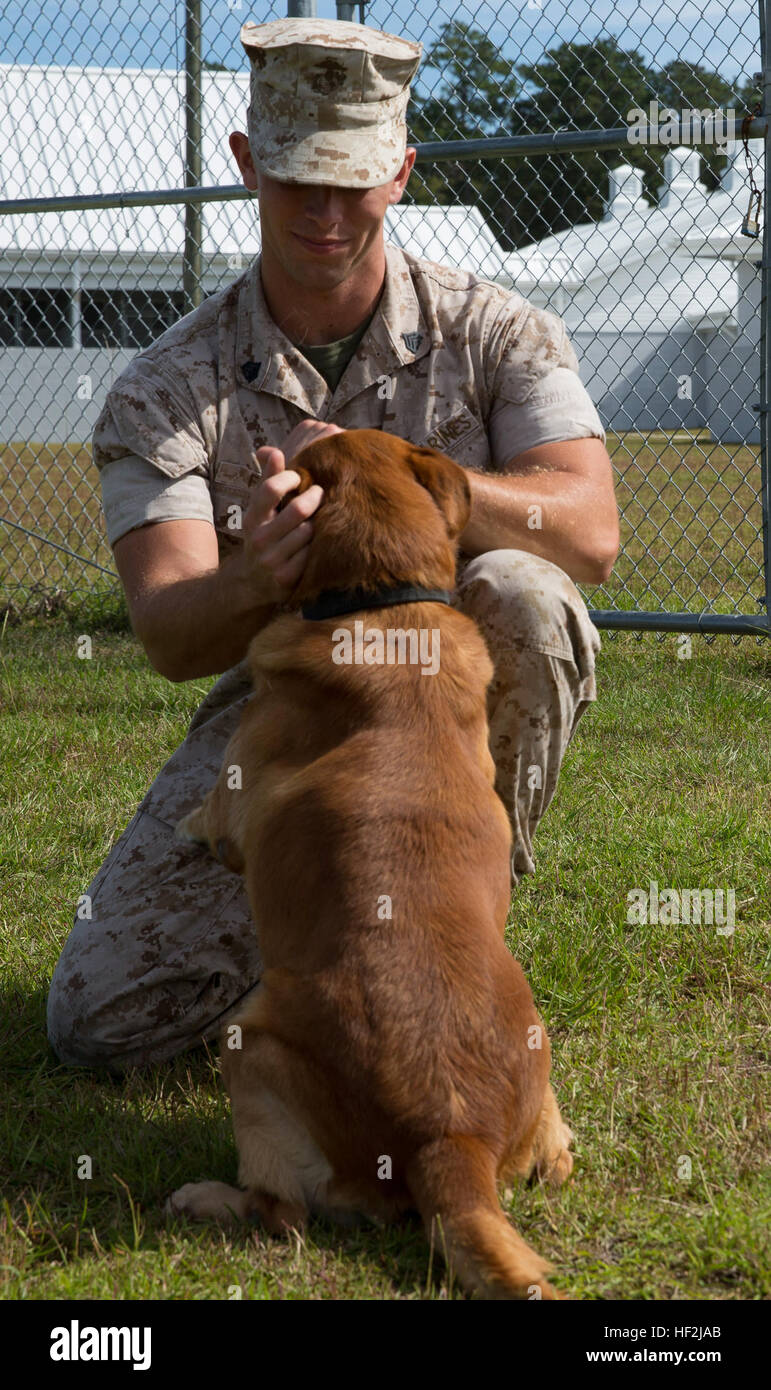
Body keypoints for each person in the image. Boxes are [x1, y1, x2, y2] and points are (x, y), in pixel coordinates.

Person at [46, 16, 619, 1072]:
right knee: (103, 1019)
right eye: (298, 176)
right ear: (246, 163)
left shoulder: (496, 331)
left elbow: (587, 530)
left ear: (401, 172)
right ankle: (336, 973)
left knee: (526, 592)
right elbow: (170, 632)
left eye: (353, 179)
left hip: (446, 699)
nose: (324, 210)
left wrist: (400, 474)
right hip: (289, 702)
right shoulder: (168, 389)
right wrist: (259, 575)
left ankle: (450, 946)